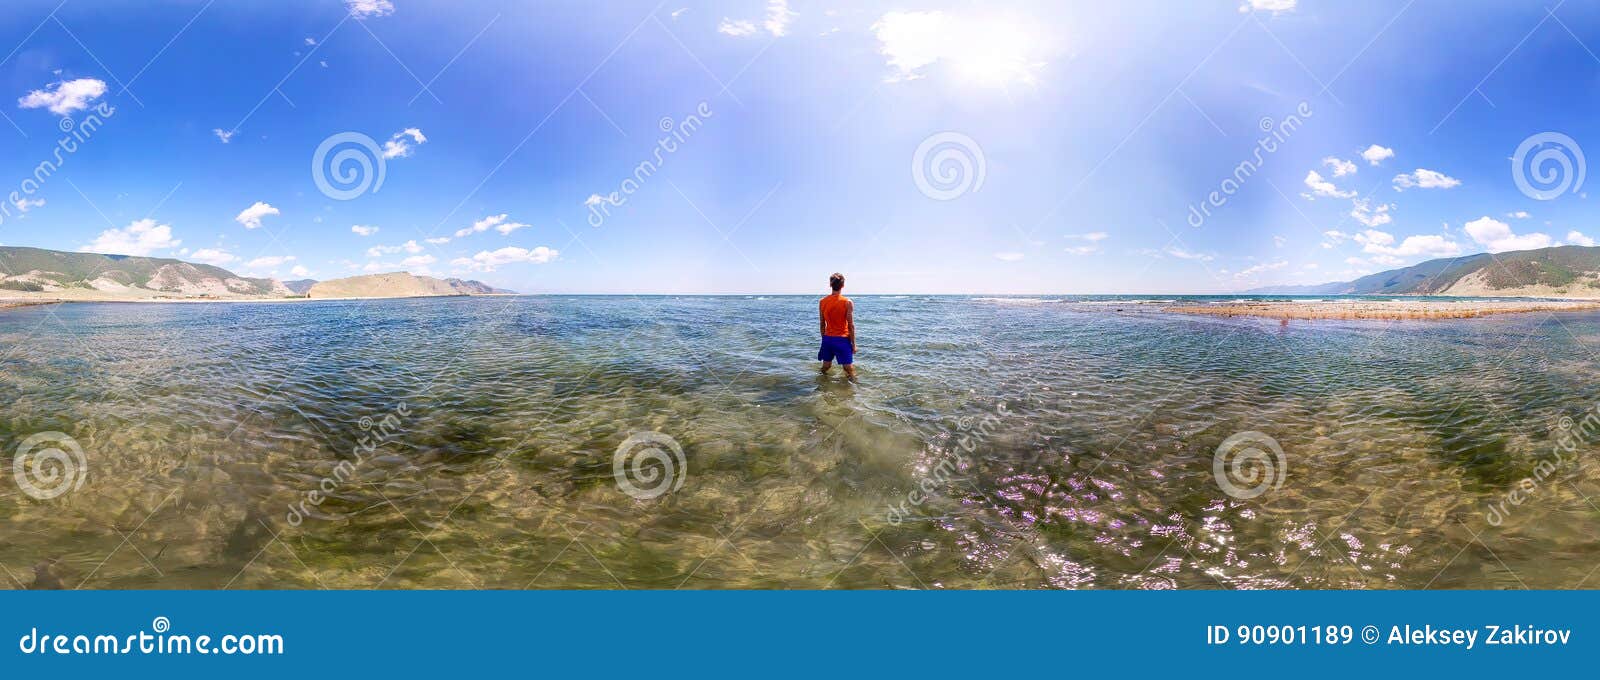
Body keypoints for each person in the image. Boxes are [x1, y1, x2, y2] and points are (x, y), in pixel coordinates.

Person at [817, 272, 856, 379]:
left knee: (826, 366)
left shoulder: (822, 301)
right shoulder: (847, 302)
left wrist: (824, 340)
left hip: (827, 339)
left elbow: (822, 323)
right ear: (843, 285)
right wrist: (853, 344)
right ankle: (854, 386)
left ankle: (820, 381)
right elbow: (851, 326)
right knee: (848, 368)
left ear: (830, 284)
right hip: (842, 339)